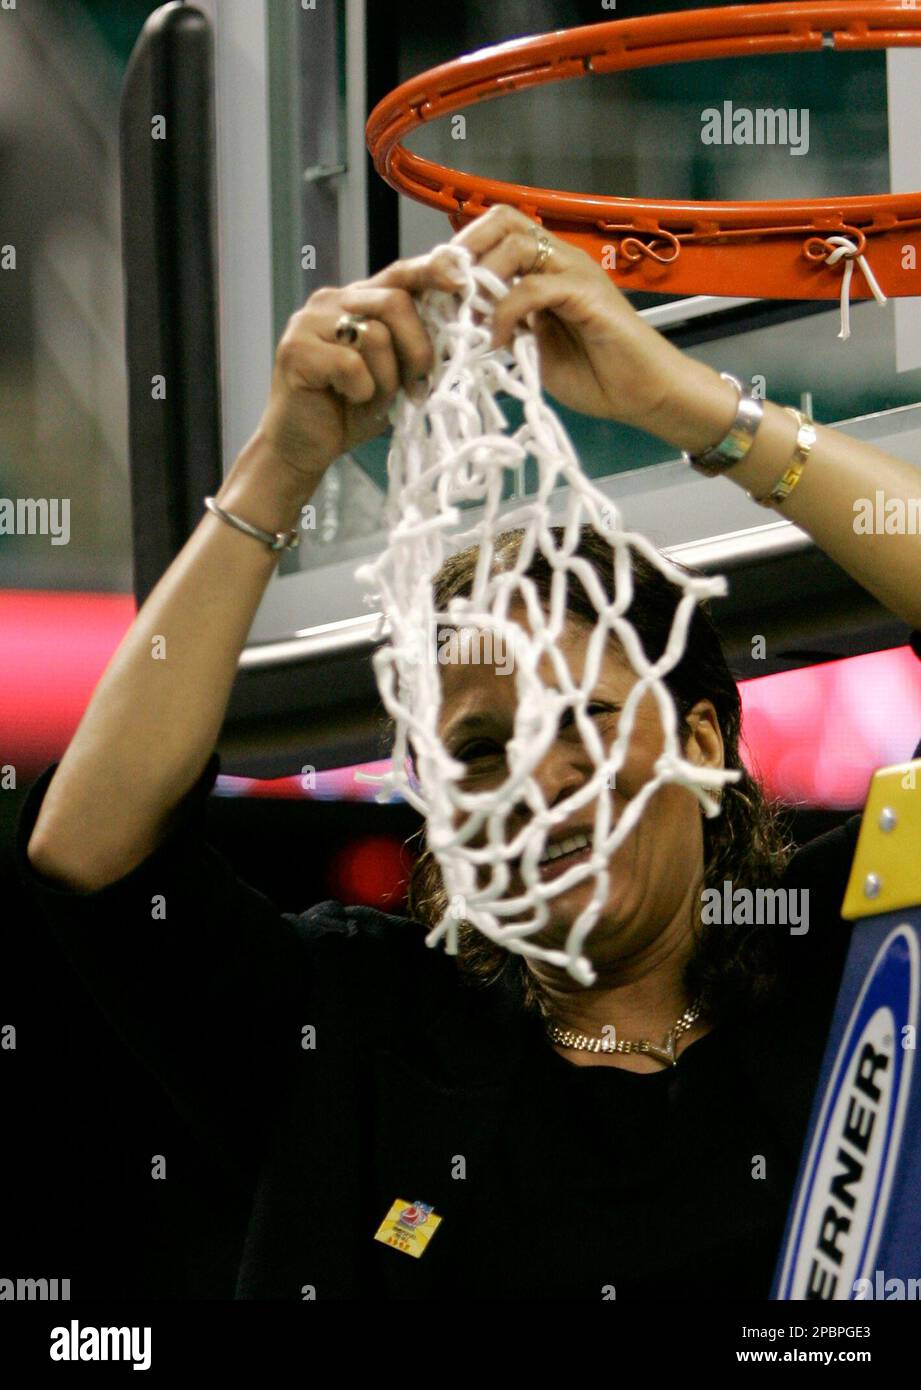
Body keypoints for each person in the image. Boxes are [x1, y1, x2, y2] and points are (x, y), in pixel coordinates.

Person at [18, 205, 921, 1299]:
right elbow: (95, 849)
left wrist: (692, 408)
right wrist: (282, 459)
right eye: (480, 750)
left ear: (702, 743)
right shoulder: (360, 1033)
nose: (536, 781)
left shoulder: (865, 960)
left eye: (579, 719)